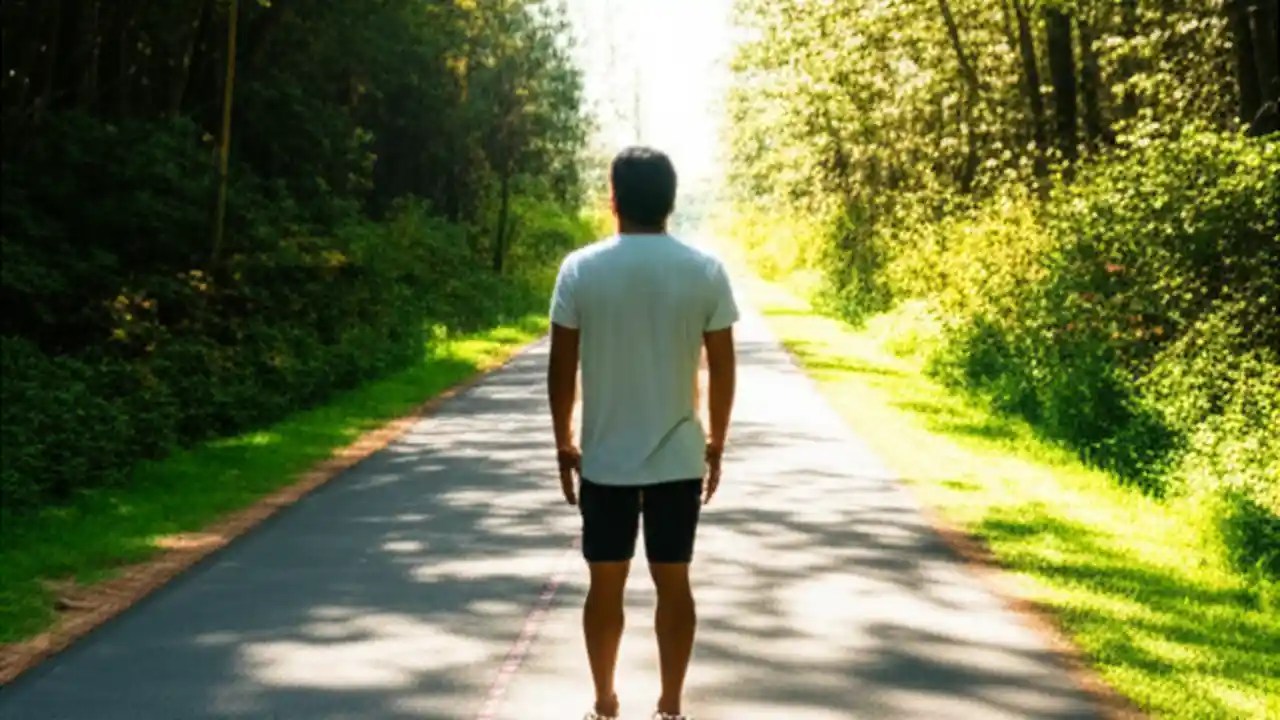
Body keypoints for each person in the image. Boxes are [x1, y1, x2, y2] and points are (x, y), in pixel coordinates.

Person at [546, 146, 738, 720]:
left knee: (604, 586)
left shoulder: (581, 269)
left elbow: (562, 368)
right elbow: (724, 367)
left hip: (605, 460)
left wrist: (564, 444)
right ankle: (671, 707)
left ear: (614, 198)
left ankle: (605, 704)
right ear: (670, 202)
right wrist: (717, 444)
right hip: (679, 457)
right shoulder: (704, 270)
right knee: (673, 584)